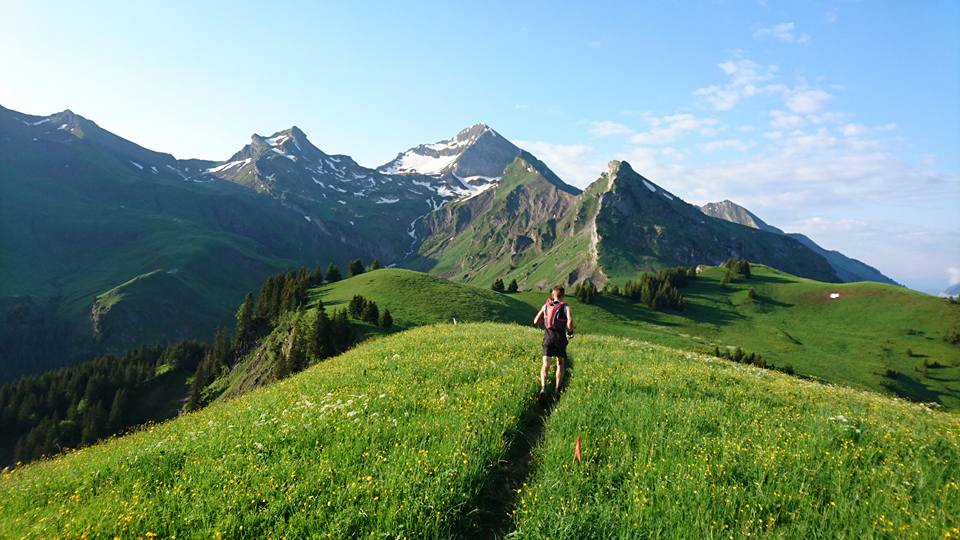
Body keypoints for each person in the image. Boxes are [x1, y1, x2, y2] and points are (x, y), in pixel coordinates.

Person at [533, 285, 574, 400]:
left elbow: (535, 320)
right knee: (560, 364)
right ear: (563, 295)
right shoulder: (565, 306)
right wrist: (570, 332)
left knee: (545, 365)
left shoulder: (546, 305)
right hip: (560, 338)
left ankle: (543, 388)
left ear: (553, 294)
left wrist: (545, 325)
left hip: (548, 337)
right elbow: (570, 321)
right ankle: (556, 391)